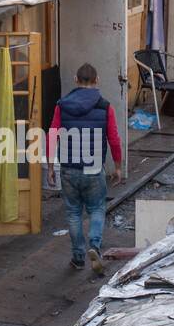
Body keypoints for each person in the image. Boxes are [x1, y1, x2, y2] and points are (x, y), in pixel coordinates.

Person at [47, 64, 123, 274]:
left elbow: (52, 134)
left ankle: (78, 258)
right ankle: (95, 245)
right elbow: (114, 139)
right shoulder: (105, 106)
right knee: (97, 208)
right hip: (93, 168)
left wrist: (51, 166)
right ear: (97, 80)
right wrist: (117, 166)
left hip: (69, 168)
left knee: (73, 213)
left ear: (75, 79)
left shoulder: (61, 106)